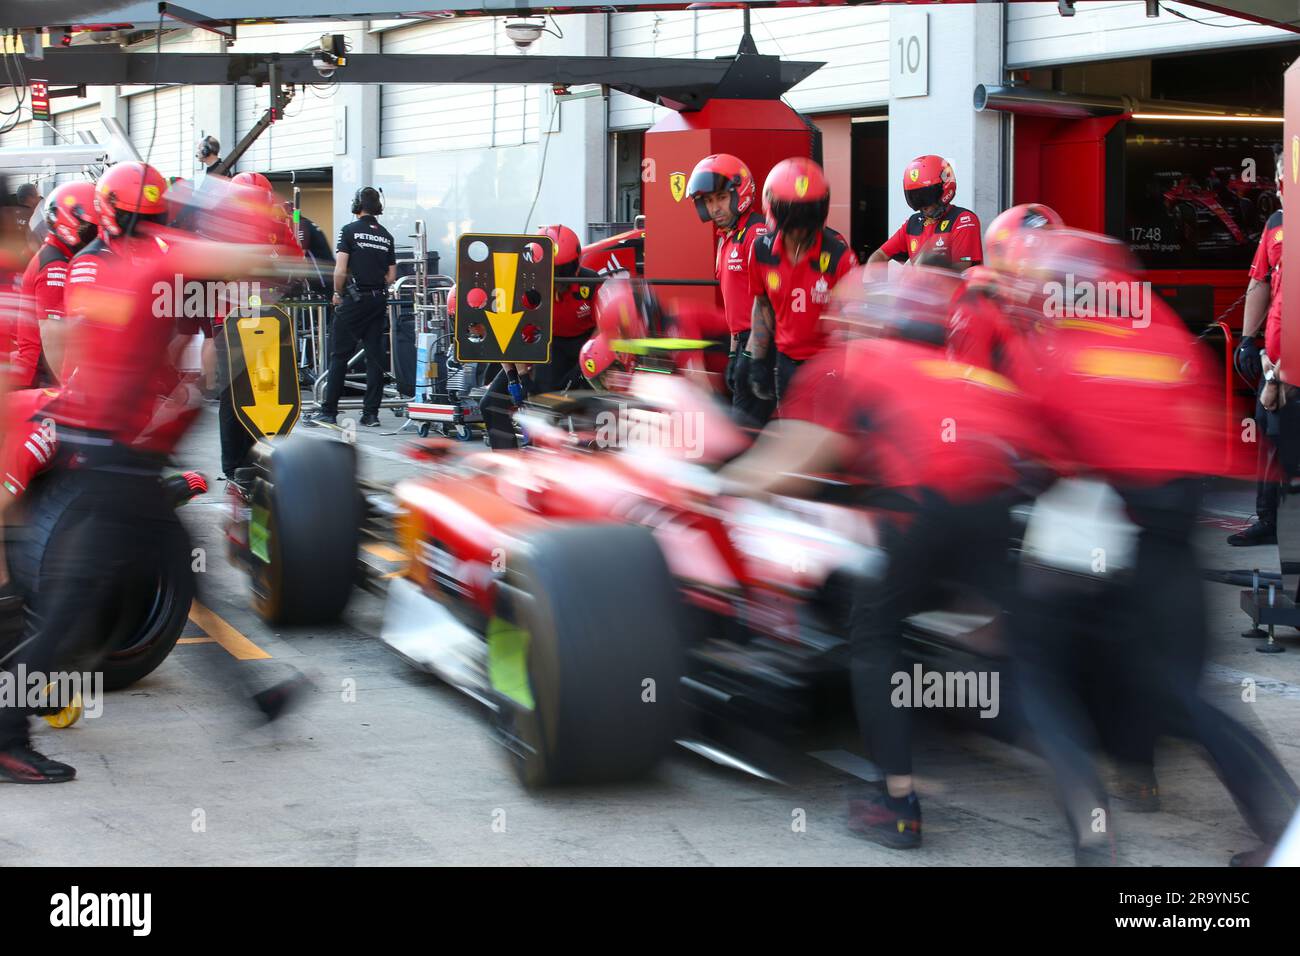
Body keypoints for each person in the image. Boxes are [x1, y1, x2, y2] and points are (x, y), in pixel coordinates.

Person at [719, 264, 1057, 849]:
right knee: (1014, 643)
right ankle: (1059, 745)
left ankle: (896, 803)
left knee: (874, 641)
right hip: (988, 525)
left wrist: (723, 489)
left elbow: (785, 467)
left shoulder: (856, 366)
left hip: (908, 526)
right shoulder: (968, 373)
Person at [994, 226, 1298, 865]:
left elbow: (1035, 446)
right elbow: (1206, 433)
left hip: (1099, 533)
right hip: (1175, 530)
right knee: (1184, 696)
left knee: (1040, 672)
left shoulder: (1059, 345)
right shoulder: (1161, 331)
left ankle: (1093, 832)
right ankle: (1278, 829)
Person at [0, 161, 280, 782]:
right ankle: (6, 727)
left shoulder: (117, 263)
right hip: (112, 461)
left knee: (186, 577)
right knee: (73, 605)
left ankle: (257, 695)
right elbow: (221, 265)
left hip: (127, 459)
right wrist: (280, 257)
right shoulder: (147, 261)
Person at [747, 157, 856, 407]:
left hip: (827, 367)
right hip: (785, 364)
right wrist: (757, 361)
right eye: (791, 222)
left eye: (804, 222)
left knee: (823, 442)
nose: (798, 232)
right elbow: (762, 306)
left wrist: (848, 376)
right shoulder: (761, 251)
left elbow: (851, 324)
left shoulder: (840, 256)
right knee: (790, 435)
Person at [480, 224, 599, 450]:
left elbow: (603, 327)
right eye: (552, 273)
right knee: (492, 403)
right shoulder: (521, 288)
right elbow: (507, 337)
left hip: (585, 346)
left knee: (549, 403)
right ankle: (508, 464)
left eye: (564, 271)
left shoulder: (591, 283)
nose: (558, 280)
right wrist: (518, 378)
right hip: (543, 345)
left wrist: (584, 366)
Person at [685, 153, 771, 425]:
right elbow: (735, 309)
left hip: (764, 344)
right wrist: (734, 354)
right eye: (709, 201)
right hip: (744, 343)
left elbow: (769, 302)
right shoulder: (728, 239)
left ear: (739, 193)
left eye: (721, 198)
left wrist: (753, 355)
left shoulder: (758, 235)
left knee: (744, 431)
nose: (715, 208)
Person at [305, 186, 396, 428]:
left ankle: (328, 411)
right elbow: (391, 275)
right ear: (378, 207)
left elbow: (340, 269)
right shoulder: (387, 236)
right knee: (375, 358)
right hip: (378, 300)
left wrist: (337, 293)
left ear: (357, 205)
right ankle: (370, 415)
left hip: (354, 300)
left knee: (339, 356)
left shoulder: (349, 231)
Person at [1230, 165, 1283, 546]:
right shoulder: (1276, 224)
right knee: (1272, 437)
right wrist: (1248, 339)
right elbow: (1259, 281)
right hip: (1279, 361)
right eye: (1278, 175)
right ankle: (1268, 521)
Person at [12, 181, 98, 388]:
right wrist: (67, 390)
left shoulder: (54, 254)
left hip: (39, 371)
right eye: (92, 228)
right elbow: (51, 335)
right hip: (40, 376)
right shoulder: (55, 264)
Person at [868, 155, 982, 271]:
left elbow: (960, 270)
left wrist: (926, 263)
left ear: (944, 187)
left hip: (950, 288)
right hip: (918, 288)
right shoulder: (912, 224)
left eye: (927, 196)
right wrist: (875, 285)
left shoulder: (963, 220)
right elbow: (880, 255)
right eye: (916, 198)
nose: (923, 205)